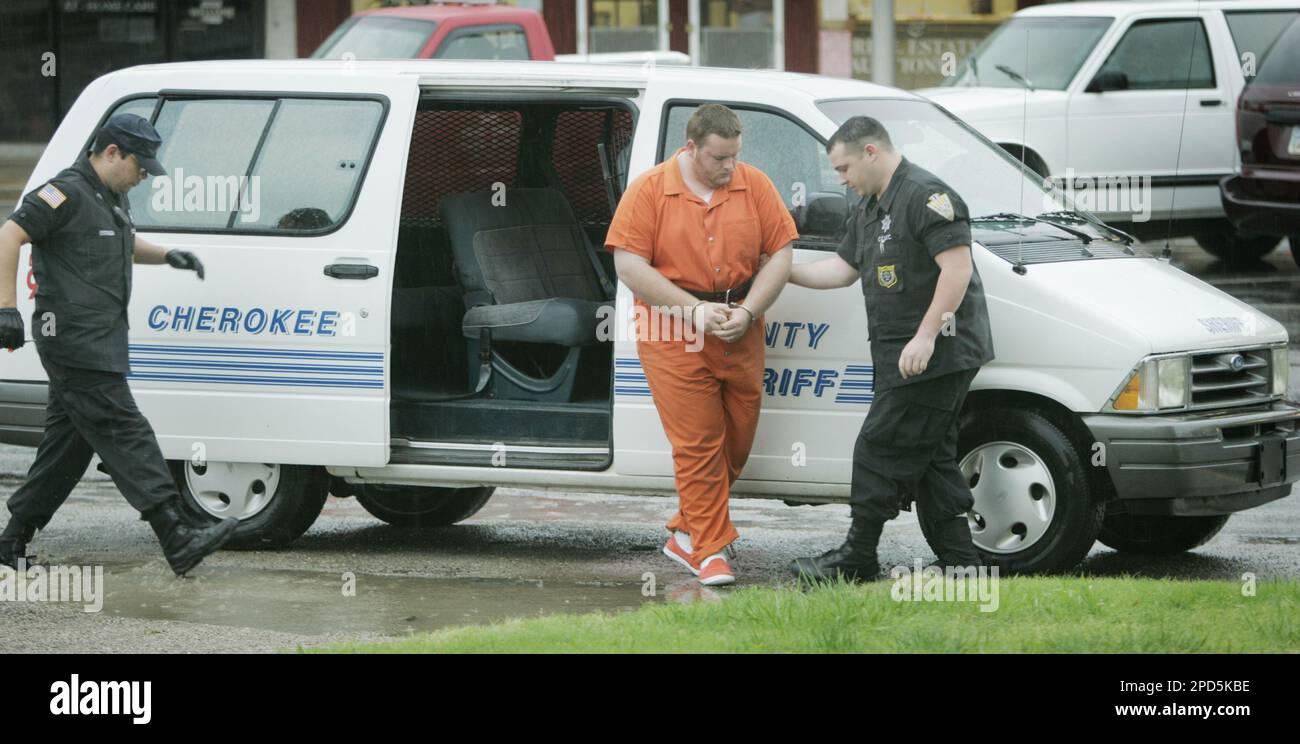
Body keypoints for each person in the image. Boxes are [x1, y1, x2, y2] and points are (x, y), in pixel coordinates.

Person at [0, 113, 238, 576]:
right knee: (125, 429)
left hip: (100, 338)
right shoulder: (63, 191)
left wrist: (168, 256)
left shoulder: (110, 196)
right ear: (112, 152)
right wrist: (6, 307)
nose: (144, 175)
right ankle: (177, 535)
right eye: (140, 165)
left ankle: (12, 538)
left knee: (67, 450)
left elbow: (122, 243)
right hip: (72, 338)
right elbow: (10, 234)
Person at [787, 116, 995, 582]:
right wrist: (782, 272)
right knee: (932, 456)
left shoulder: (925, 195)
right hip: (901, 355)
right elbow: (842, 269)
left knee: (879, 445)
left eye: (844, 168)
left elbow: (956, 269)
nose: (841, 179)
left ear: (871, 153)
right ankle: (964, 565)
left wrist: (925, 335)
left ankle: (858, 555)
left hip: (936, 354)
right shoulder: (870, 206)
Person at [606, 104, 796, 586]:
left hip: (740, 323)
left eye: (734, 156)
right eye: (718, 158)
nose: (729, 167)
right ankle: (709, 552)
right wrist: (692, 310)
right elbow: (629, 267)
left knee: (738, 437)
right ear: (691, 148)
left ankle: (686, 532)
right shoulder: (649, 190)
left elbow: (781, 253)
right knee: (698, 443)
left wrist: (749, 309)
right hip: (673, 328)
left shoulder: (754, 184)